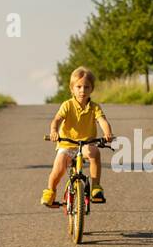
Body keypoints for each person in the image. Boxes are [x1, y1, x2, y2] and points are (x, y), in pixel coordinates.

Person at [43, 66, 115, 207]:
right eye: (79, 87)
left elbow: (102, 121)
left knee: (94, 152)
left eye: (86, 87)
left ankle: (95, 187)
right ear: (72, 89)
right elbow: (57, 120)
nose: (82, 90)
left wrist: (108, 133)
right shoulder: (67, 105)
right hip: (67, 144)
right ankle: (50, 192)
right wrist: (53, 131)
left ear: (91, 89)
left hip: (86, 144)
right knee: (58, 168)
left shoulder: (95, 107)